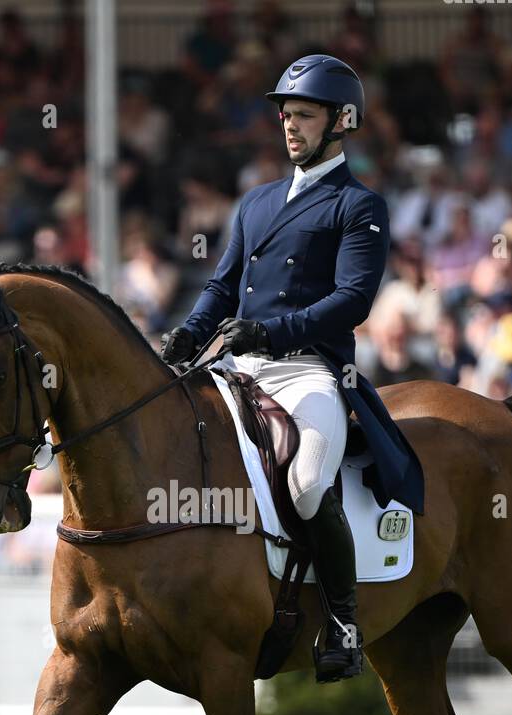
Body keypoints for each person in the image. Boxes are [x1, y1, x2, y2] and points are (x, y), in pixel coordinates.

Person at [159, 54, 422, 682]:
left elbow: (352, 301)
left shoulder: (359, 206)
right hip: (237, 366)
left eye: (304, 115)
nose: (289, 126)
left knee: (305, 484)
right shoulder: (255, 202)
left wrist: (272, 330)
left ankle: (343, 623)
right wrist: (184, 338)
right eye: (285, 114)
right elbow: (221, 288)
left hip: (308, 370)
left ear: (341, 122)